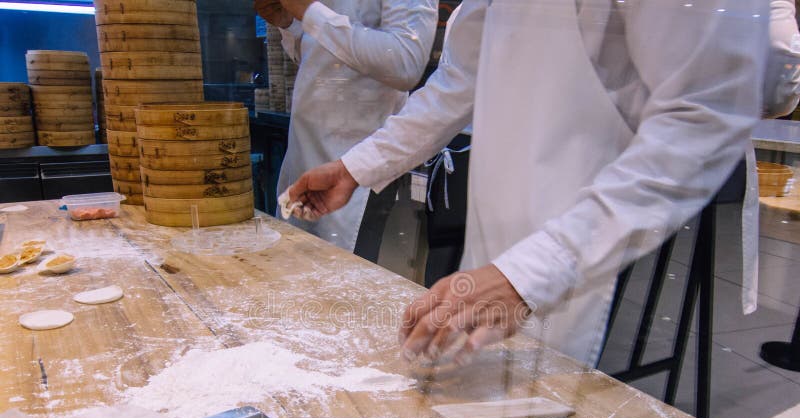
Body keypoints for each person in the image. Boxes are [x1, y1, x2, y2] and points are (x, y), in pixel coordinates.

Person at [285, 0, 769, 367]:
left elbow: (705, 116)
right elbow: (457, 83)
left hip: (595, 235)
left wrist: (531, 273)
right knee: (485, 398)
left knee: (550, 411)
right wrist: (356, 167)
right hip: (501, 232)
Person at [254, 0, 437, 261]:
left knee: (344, 276)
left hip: (359, 163)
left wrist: (310, 12)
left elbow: (404, 62)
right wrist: (290, 25)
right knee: (297, 268)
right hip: (304, 154)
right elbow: (322, 61)